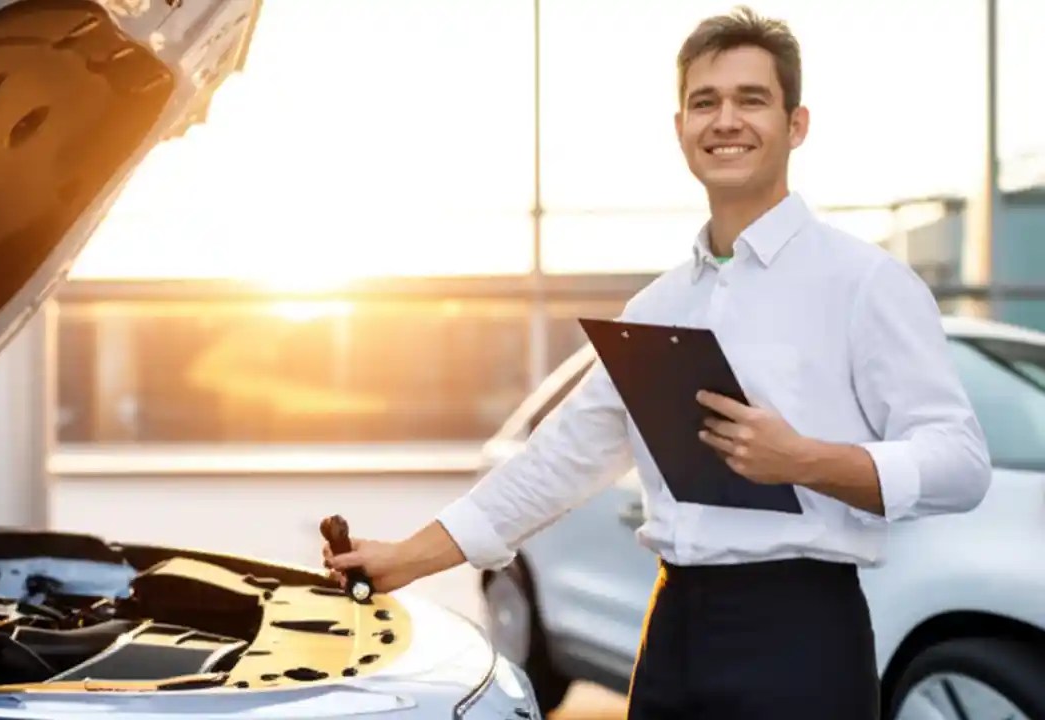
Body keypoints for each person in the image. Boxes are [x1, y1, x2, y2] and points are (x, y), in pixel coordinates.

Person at [324, 6, 992, 719]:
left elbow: (960, 462)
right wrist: (408, 558)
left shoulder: (867, 284)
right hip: (672, 630)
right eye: (705, 102)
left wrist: (803, 459)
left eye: (751, 100)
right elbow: (559, 460)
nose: (725, 120)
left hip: (804, 637)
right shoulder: (655, 308)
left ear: (796, 126)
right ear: (681, 130)